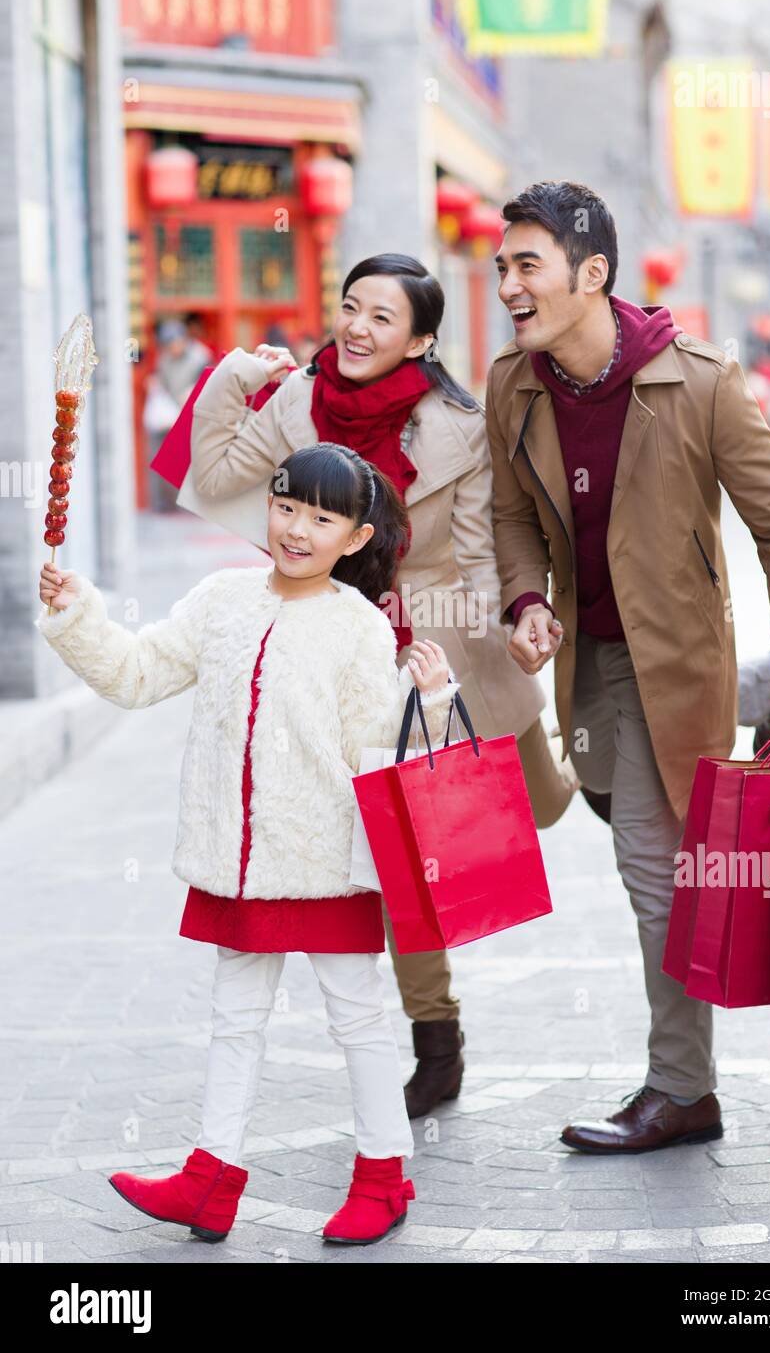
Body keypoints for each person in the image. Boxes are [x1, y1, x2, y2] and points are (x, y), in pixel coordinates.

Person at [186, 252, 579, 1118]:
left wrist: (506, 622)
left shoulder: (457, 426)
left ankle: (557, 759)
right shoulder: (297, 402)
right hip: (346, 656)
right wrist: (235, 374)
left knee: (540, 807)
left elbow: (477, 550)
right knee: (401, 861)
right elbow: (216, 476)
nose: (356, 329)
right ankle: (437, 1044)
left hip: (443, 641)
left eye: (381, 318)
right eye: (349, 308)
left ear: (421, 338)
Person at [36, 443, 460, 1245]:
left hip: (327, 862)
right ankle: (210, 1179)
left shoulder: (360, 628)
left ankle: (385, 1173)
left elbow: (376, 750)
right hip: (232, 862)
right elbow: (135, 674)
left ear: (357, 538)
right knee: (234, 1017)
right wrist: (76, 610)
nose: (297, 528)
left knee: (357, 1018)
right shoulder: (221, 599)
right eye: (286, 505)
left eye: (322, 517)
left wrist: (430, 703)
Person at [486, 180, 770, 1154]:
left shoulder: (700, 382)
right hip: (585, 659)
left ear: (589, 275)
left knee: (653, 867)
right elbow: (513, 514)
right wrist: (521, 600)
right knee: (609, 801)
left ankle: (681, 1089)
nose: (507, 284)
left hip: (672, 663)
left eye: (527, 265)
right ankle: (750, 690)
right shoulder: (514, 384)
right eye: (501, 265)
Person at [144, 320, 213, 512]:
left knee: (193, 460)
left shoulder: (201, 356)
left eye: (174, 343)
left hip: (194, 414)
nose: (172, 349)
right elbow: (161, 381)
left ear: (183, 340)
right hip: (171, 415)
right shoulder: (163, 359)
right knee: (161, 456)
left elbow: (211, 382)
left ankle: (194, 504)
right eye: (168, 345)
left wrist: (194, 391)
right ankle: (163, 503)